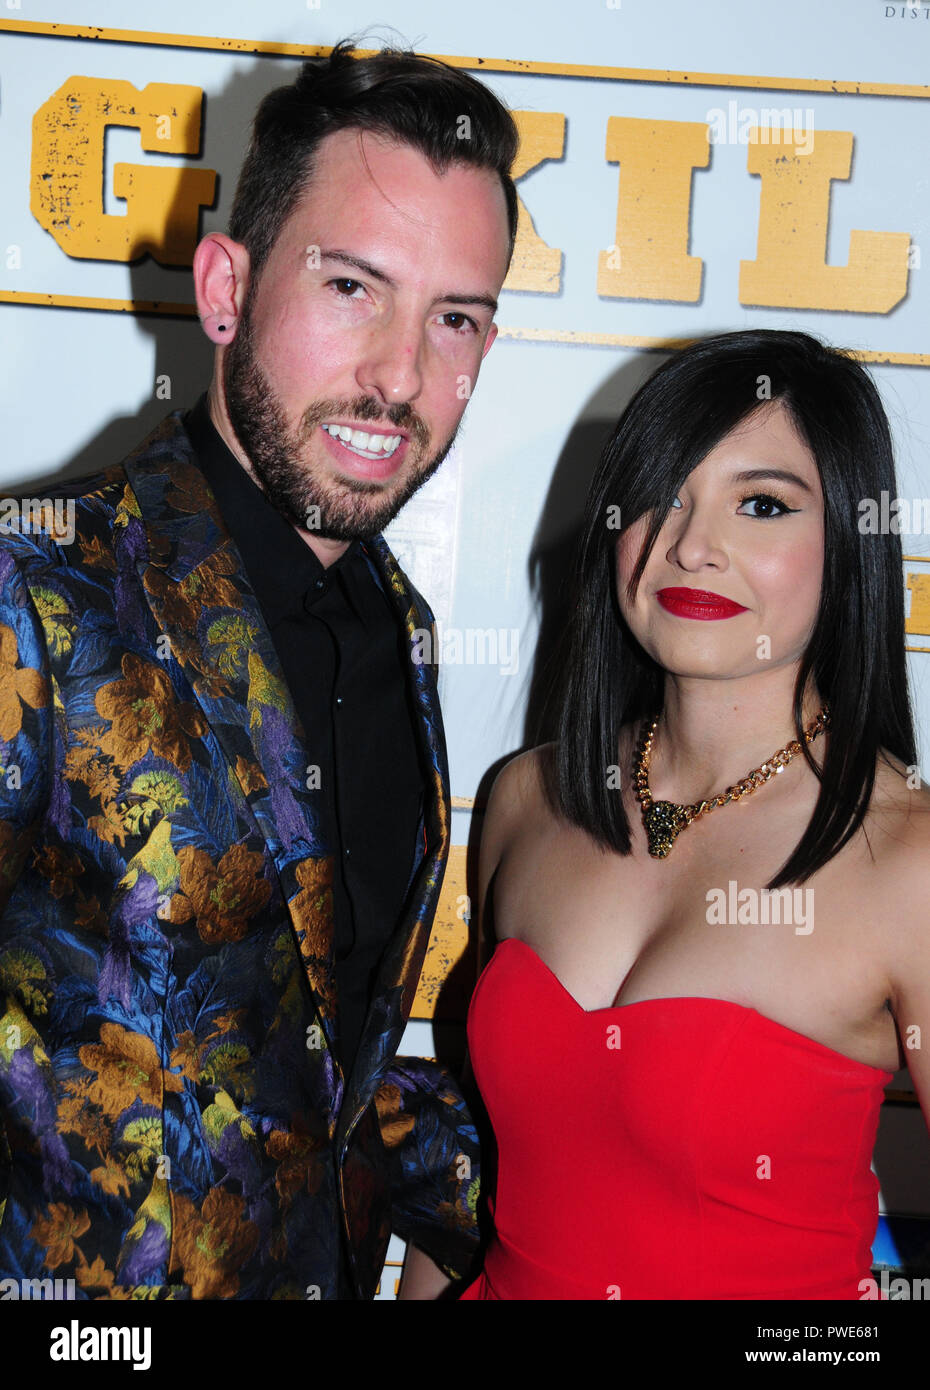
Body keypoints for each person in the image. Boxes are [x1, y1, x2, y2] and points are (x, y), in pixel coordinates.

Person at [0, 41, 516, 1299]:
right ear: (226, 288)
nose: (401, 376)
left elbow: (311, 1068)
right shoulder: (33, 585)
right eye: (353, 287)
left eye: (456, 317)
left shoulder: (398, 628)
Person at [453, 328, 930, 1299]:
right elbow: (482, 1174)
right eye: (662, 496)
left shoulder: (909, 859)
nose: (692, 544)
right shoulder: (525, 799)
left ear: (850, 541)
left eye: (761, 504)